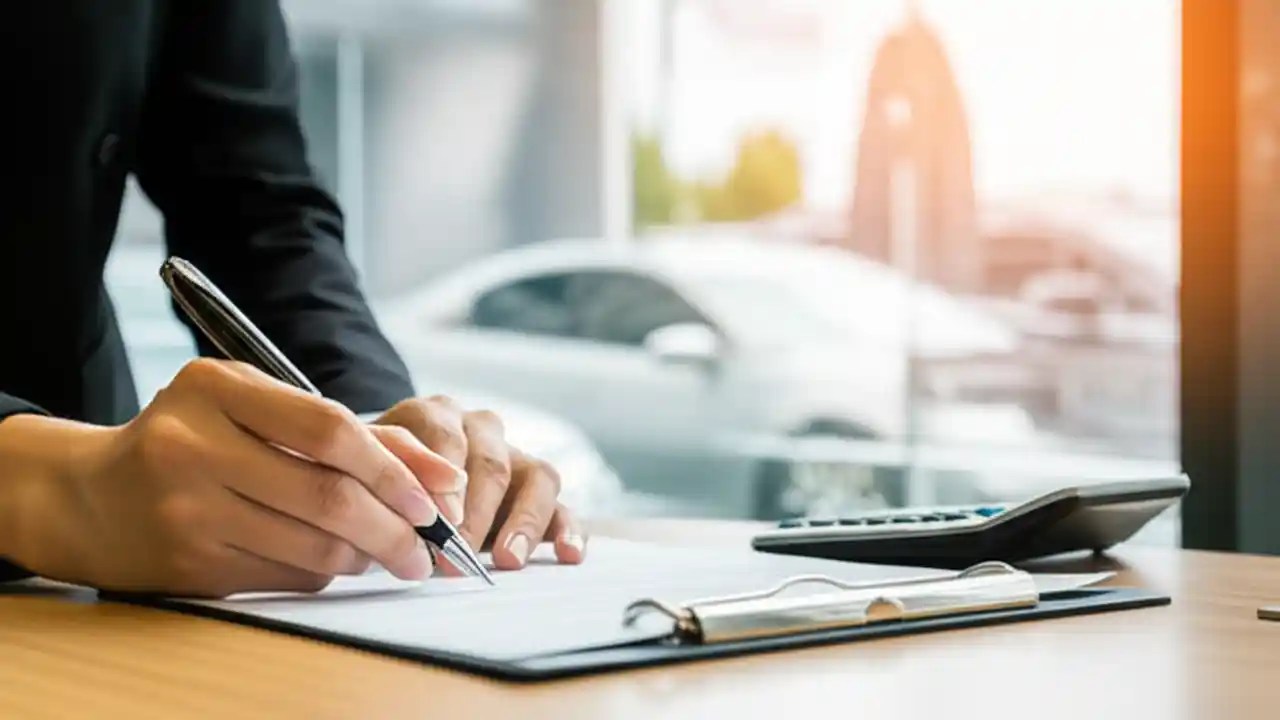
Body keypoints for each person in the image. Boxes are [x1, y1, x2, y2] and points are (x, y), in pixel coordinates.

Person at [0, 3, 585, 598]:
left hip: (96, 561)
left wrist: (371, 434)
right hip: (95, 513)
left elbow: (255, 208)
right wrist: (40, 485)